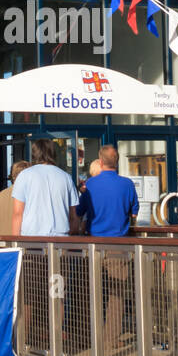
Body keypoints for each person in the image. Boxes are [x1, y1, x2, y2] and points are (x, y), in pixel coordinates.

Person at [78, 146, 140, 344]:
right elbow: (134, 214)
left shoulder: (91, 185)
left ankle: (88, 334)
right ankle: (110, 338)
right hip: (118, 245)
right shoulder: (127, 184)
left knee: (91, 291)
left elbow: (78, 213)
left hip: (93, 244)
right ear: (118, 160)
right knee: (116, 294)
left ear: (100, 161)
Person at [11, 138, 79, 237]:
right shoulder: (66, 177)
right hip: (61, 239)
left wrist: (15, 242)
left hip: (32, 238)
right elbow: (74, 216)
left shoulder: (24, 175)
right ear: (53, 154)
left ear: (34, 154)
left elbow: (18, 213)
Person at [0, 161, 29, 236]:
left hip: (4, 243)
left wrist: (4, 229)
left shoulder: (0, 195)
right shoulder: (30, 195)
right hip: (24, 242)